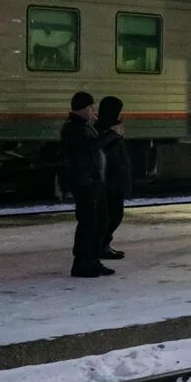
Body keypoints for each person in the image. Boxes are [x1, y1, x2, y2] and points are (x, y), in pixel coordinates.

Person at [60, 92, 112, 277]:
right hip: (84, 182)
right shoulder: (74, 128)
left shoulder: (84, 126)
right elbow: (89, 148)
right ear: (82, 109)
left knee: (100, 221)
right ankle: (82, 263)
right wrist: (111, 136)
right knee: (89, 223)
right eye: (90, 107)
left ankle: (92, 259)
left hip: (92, 180)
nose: (93, 110)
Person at [96, 96, 130, 260]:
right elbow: (98, 148)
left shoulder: (113, 129)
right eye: (119, 111)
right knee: (110, 216)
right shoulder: (101, 130)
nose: (122, 115)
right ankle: (101, 247)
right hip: (108, 181)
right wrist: (113, 135)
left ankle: (105, 245)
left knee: (116, 215)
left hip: (116, 179)